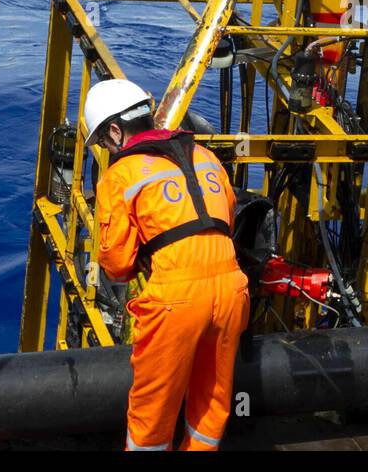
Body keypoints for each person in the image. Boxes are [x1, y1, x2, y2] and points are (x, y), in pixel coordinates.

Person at [85, 78, 249, 451]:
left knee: (152, 411)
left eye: (104, 143)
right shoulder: (206, 157)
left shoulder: (120, 175)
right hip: (233, 290)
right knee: (212, 403)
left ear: (115, 130)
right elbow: (226, 220)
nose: (107, 150)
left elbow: (115, 262)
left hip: (176, 299)